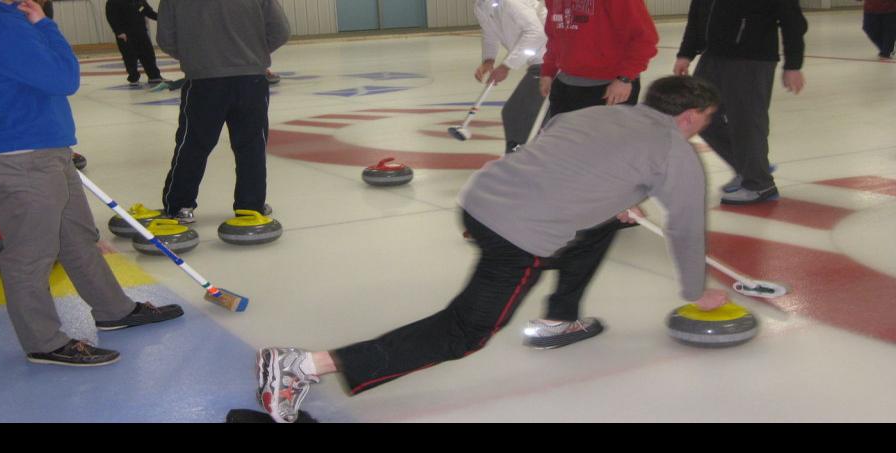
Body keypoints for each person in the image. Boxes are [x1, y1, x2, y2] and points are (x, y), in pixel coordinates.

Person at [256, 76, 729, 423]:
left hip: (480, 201)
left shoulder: (596, 112)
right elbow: (686, 228)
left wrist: (618, 199)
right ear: (688, 117)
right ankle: (302, 365)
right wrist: (696, 292)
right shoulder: (676, 151)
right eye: (702, 124)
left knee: (600, 227)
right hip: (517, 234)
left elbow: (560, 143)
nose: (698, 133)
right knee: (467, 332)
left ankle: (562, 314)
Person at [0, 0, 183, 367]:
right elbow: (63, 78)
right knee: (30, 254)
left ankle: (114, 309)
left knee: (76, 237)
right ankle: (42, 341)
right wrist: (46, 27)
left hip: (42, 146)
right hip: (21, 153)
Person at [156, 0, 289, 227]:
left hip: (203, 81)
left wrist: (197, 56)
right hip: (250, 79)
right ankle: (250, 206)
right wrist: (252, 51)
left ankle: (179, 205)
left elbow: (166, 39)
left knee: (193, 144)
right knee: (251, 145)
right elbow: (280, 31)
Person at [675, 0, 807, 205]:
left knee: (746, 121)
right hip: (712, 57)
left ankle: (760, 184)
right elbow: (698, 15)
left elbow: (793, 20)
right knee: (697, 115)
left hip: (751, 58)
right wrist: (686, 53)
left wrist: (793, 64)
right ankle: (749, 167)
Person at [539, 0, 658, 115]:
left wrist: (624, 78)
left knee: (607, 135)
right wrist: (548, 71)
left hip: (609, 87)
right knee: (563, 134)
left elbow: (644, 38)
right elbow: (554, 36)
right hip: (566, 83)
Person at [473, 0, 547, 154]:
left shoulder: (510, 2)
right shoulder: (480, 5)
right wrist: (488, 60)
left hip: (548, 58)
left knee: (515, 113)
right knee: (530, 113)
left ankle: (518, 157)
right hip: (539, 59)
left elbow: (536, 32)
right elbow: (489, 33)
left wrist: (507, 66)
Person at [105, 0, 162, 86]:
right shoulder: (113, 1)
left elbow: (147, 11)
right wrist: (118, 32)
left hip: (141, 32)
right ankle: (133, 77)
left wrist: (161, 18)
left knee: (148, 54)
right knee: (130, 57)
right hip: (126, 35)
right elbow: (111, 16)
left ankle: (154, 76)